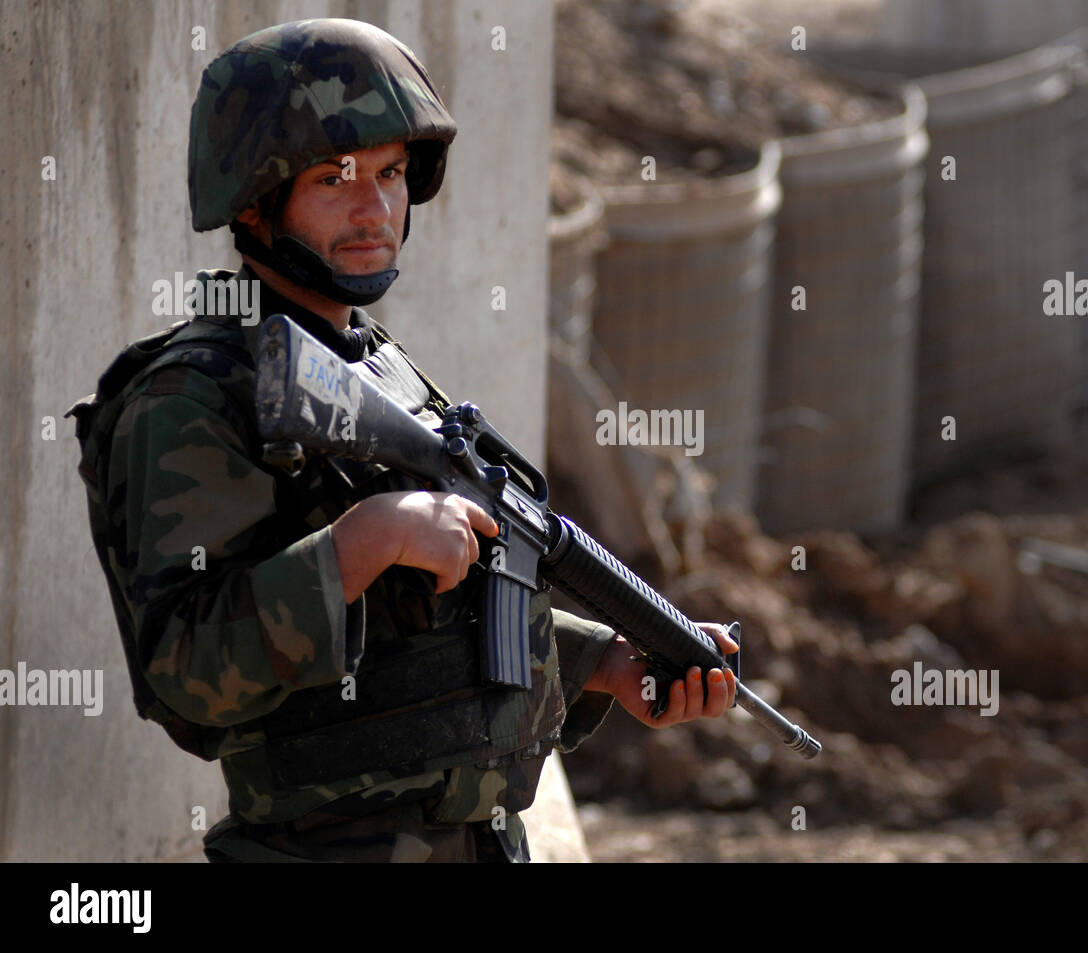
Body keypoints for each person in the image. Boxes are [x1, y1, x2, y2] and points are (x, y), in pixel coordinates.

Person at [69, 17, 736, 863]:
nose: (375, 206)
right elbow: (188, 678)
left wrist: (603, 661)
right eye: (336, 178)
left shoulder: (376, 365)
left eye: (391, 174)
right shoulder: (190, 396)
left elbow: (427, 635)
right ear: (253, 200)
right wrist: (361, 541)